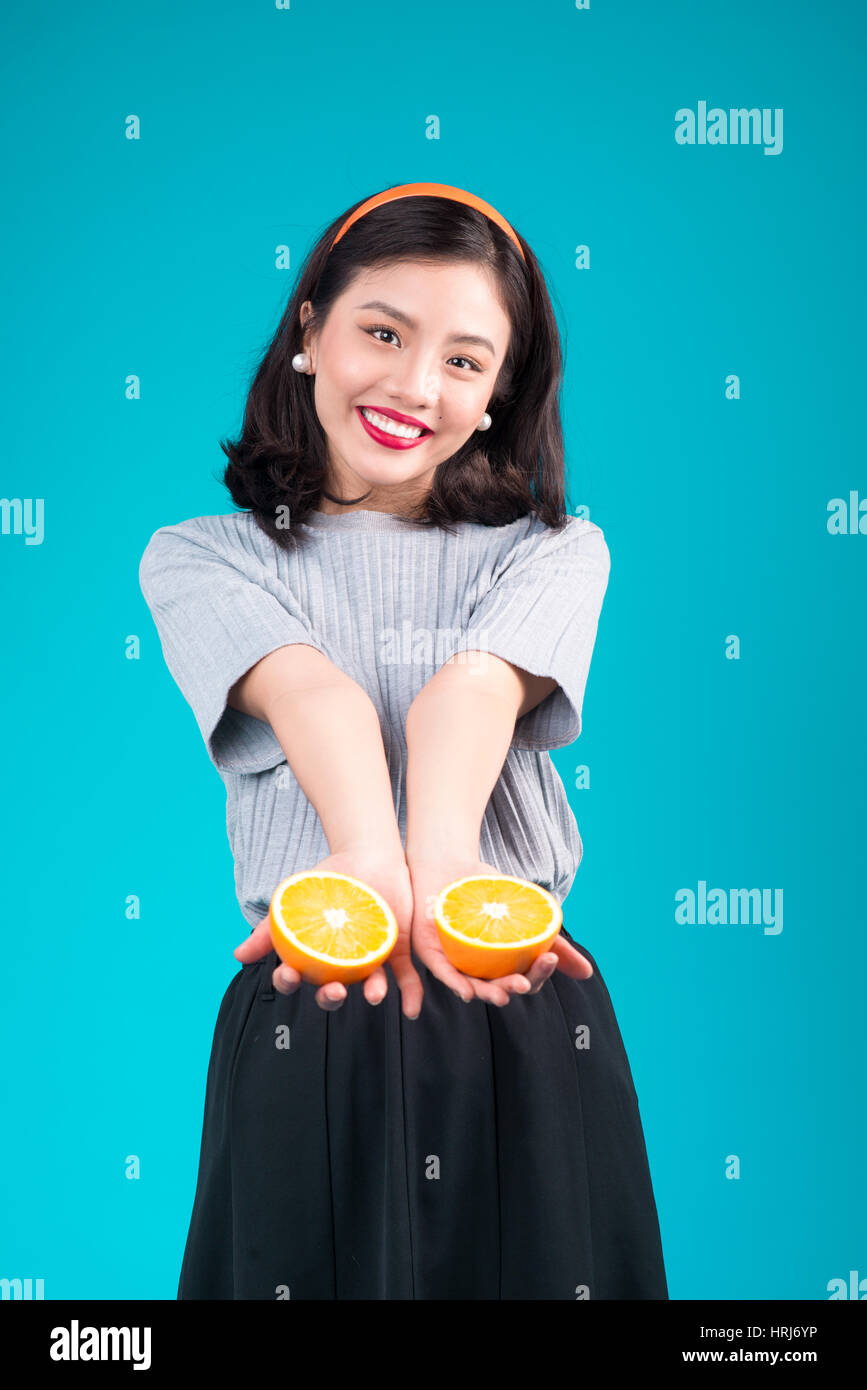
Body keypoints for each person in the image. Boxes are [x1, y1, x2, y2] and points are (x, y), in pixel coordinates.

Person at [138, 181, 668, 1301]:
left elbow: (466, 695)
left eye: (466, 361)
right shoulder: (198, 556)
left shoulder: (557, 551)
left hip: (514, 995)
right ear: (308, 330)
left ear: (497, 398)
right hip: (314, 1001)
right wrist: (376, 874)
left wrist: (442, 881)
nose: (417, 386)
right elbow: (314, 695)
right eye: (384, 331)